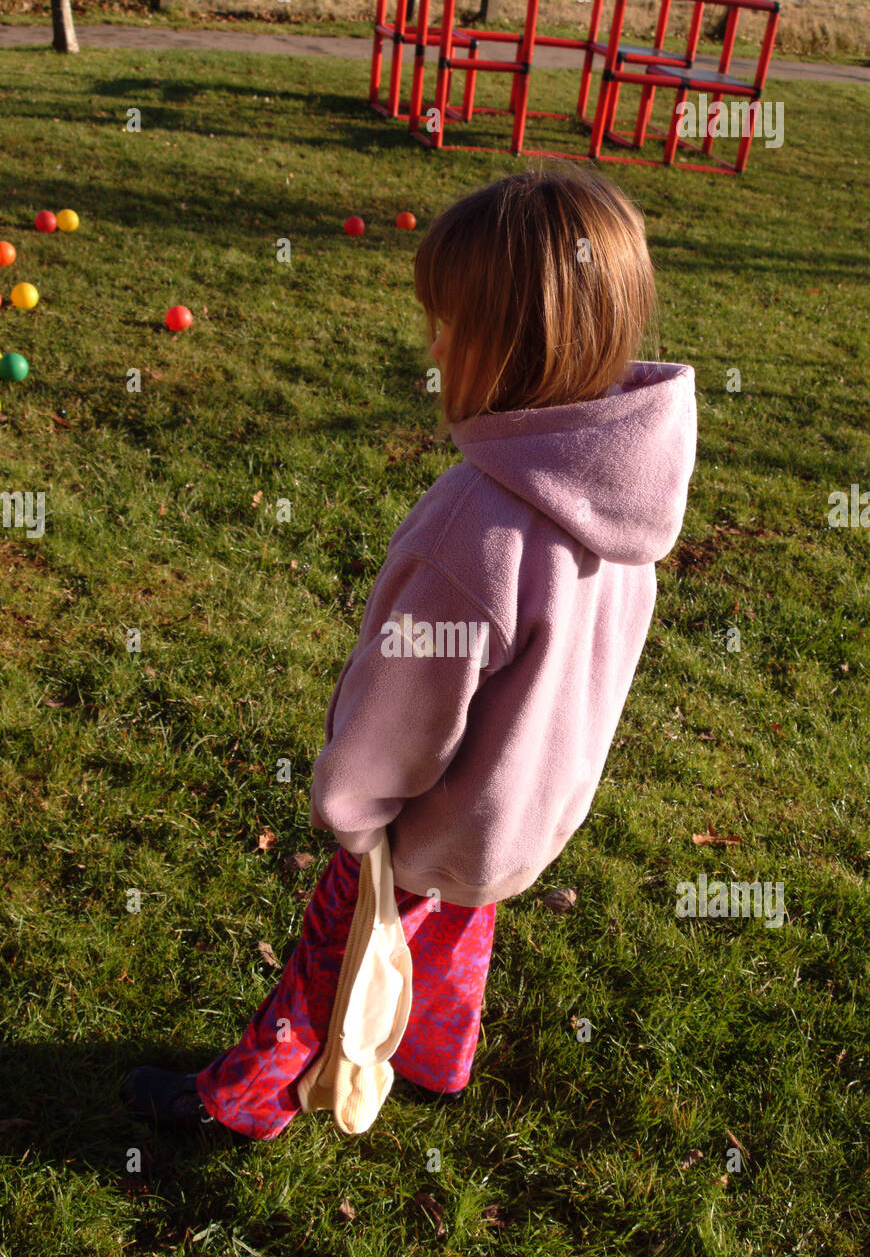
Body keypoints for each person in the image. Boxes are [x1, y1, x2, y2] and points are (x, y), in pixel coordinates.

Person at [121, 165, 697, 1138]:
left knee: (329, 965)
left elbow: (413, 703)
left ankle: (238, 1107)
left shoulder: (476, 525)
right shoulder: (629, 490)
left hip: (422, 827)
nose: (432, 348)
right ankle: (438, 1057)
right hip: (520, 826)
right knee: (456, 931)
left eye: (447, 326)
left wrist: (354, 808)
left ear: (507, 344)